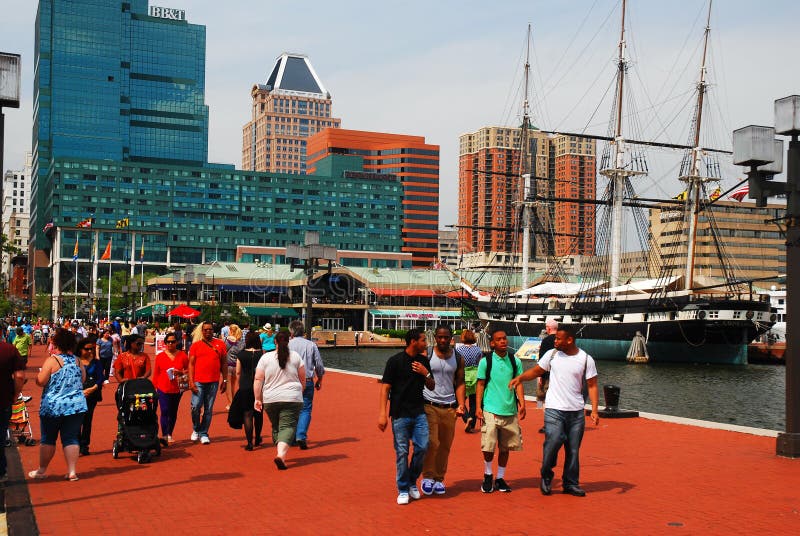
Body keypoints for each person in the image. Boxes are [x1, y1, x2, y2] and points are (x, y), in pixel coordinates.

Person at [509, 326, 599, 497]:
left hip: (576, 412)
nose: (555, 341)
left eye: (558, 339)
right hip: (554, 409)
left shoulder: (586, 359)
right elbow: (537, 371)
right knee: (554, 441)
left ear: (570, 340)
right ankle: (546, 474)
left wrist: (594, 410)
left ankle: (570, 483)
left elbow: (593, 385)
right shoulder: (552, 355)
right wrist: (520, 377)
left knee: (573, 449)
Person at [378, 328, 435, 505]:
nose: (426, 343)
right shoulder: (395, 361)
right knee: (402, 452)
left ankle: (411, 481)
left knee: (423, 447)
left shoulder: (423, 360)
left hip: (419, 413)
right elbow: (385, 388)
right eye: (423, 340)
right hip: (400, 414)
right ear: (413, 342)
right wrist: (382, 414)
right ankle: (403, 488)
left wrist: (425, 373)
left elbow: (432, 386)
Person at [29, 328, 87, 481]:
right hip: (76, 406)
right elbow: (82, 380)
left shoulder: (52, 360)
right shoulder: (77, 360)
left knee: (48, 438)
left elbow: (41, 381)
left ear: (57, 344)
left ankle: (42, 470)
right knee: (71, 438)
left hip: (53, 406)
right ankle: (72, 471)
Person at [475, 329, 525, 493]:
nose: (503, 341)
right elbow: (480, 384)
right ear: (492, 343)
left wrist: (522, 404)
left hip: (510, 410)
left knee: (506, 447)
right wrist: (478, 408)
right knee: (488, 446)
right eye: (499, 339)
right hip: (490, 409)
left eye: (504, 338)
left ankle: (500, 477)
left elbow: (518, 383)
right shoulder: (485, 361)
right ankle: (488, 474)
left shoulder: (515, 360)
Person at [420, 325, 465, 496]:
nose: (443, 340)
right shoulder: (428, 354)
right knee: (432, 443)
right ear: (435, 337)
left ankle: (439, 478)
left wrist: (461, 405)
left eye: (446, 337)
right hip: (429, 404)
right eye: (440, 337)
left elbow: (460, 382)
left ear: (451, 338)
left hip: (450, 407)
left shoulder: (458, 357)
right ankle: (428, 476)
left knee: (445, 445)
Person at [254, 330, 304, 469]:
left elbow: (258, 379)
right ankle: (281, 455)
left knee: (276, 426)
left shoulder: (265, 358)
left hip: (270, 398)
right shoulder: (295, 357)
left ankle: (280, 448)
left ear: (274, 342)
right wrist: (301, 390)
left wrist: (257, 398)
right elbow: (302, 378)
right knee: (287, 426)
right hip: (292, 397)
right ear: (289, 341)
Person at [188, 321, 227, 444]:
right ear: (202, 331)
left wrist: (225, 380)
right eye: (205, 330)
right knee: (195, 407)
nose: (208, 331)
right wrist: (191, 381)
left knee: (208, 409)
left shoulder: (220, 344)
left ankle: (204, 432)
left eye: (210, 329)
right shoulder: (195, 346)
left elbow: (224, 363)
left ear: (213, 330)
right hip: (198, 381)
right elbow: (191, 364)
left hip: (213, 381)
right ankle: (196, 429)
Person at [288, 320, 324, 450]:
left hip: (290, 381)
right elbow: (318, 364)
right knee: (306, 408)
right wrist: (320, 379)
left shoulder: (287, 345)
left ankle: (290, 437)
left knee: (291, 409)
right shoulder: (311, 345)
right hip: (307, 380)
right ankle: (301, 435)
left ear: (291, 332)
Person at [153, 332, 189, 445]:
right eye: (168, 342)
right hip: (162, 388)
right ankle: (164, 435)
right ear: (165, 343)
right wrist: (153, 388)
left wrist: (181, 372)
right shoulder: (160, 356)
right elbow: (156, 374)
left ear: (177, 342)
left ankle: (169, 434)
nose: (170, 344)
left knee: (173, 412)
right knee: (164, 411)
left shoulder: (183, 355)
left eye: (173, 341)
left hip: (177, 389)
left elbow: (189, 370)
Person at [0, 338, 25, 482]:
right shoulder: (10, 350)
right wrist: (16, 395)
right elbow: (20, 376)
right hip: (3, 400)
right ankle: (1, 472)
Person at [234, 331, 264, 450]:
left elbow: (238, 371)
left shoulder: (241, 355)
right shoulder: (262, 354)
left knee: (247, 414)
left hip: (245, 385)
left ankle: (249, 443)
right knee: (258, 413)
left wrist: (239, 383)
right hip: (260, 386)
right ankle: (257, 437)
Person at [77, 337, 103, 456]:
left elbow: (100, 378)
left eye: (91, 349)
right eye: (86, 349)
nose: (89, 351)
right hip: (77, 394)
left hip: (91, 394)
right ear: (80, 349)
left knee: (87, 420)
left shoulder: (96, 362)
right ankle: (75, 444)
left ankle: (84, 445)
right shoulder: (75, 361)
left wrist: (92, 389)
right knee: (76, 420)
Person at [455, 328, 483, 432]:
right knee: (474, 401)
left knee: (460, 399)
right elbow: (481, 364)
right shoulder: (478, 350)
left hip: (463, 375)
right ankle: (471, 425)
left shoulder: (458, 350)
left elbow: (456, 363)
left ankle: (467, 417)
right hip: (475, 375)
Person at [536, 319, 558, 433]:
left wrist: (540, 376)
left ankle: (547, 423)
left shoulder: (546, 341)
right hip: (559, 374)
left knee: (543, 398)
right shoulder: (561, 340)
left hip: (546, 374)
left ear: (548, 328)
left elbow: (541, 360)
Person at [224, 324, 244, 410]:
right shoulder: (241, 343)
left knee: (227, 385)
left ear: (231, 331)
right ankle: (233, 402)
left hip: (227, 365)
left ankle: (230, 403)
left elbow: (223, 351)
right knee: (233, 385)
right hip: (237, 366)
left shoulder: (227, 341)